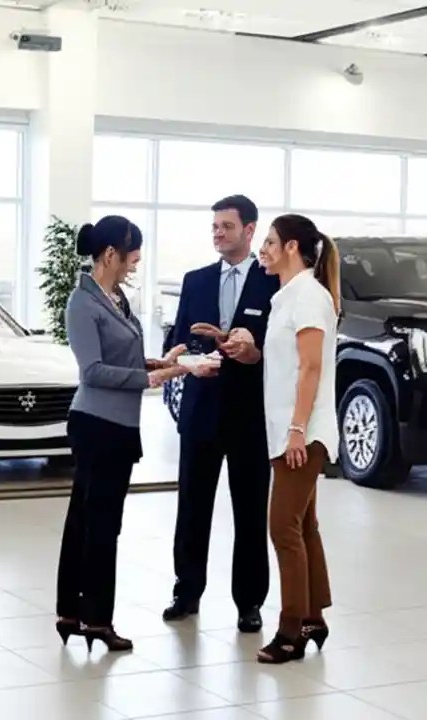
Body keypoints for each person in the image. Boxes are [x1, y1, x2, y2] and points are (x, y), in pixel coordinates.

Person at [56, 215, 182, 653]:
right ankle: (95, 620)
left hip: (118, 425)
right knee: (97, 525)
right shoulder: (82, 303)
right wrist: (148, 380)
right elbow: (92, 371)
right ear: (109, 254)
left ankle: (74, 614)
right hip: (97, 426)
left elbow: (121, 360)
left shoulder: (114, 300)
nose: (136, 263)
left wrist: (163, 363)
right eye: (131, 255)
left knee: (92, 521)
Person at [162, 194, 280, 633]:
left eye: (226, 226)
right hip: (201, 411)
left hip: (250, 416)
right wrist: (185, 359)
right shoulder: (195, 281)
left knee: (250, 511)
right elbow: (178, 340)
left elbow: (282, 352)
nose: (217, 233)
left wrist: (252, 351)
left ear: (249, 231)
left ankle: (249, 602)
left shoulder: (273, 283)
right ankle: (186, 590)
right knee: (193, 505)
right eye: (214, 226)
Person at [254, 214, 339, 664]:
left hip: (303, 433)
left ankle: (290, 632)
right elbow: (290, 364)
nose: (262, 249)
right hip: (291, 430)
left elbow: (311, 367)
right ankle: (313, 618)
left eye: (269, 241)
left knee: (282, 527)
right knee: (303, 526)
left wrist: (297, 430)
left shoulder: (307, 295)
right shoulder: (289, 296)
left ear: (291, 247)